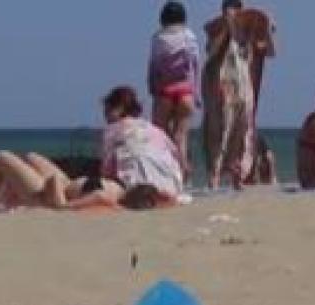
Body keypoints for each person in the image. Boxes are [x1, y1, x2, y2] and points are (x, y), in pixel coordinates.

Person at [202, 0, 276, 189]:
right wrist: (228, 27)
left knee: (242, 132)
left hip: (243, 87)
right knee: (220, 131)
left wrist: (265, 28)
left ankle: (237, 175)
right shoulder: (218, 29)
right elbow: (213, 53)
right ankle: (215, 175)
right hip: (223, 86)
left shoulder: (249, 31)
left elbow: (269, 51)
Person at [0, 151, 173, 212]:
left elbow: (64, 207)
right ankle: (3, 201)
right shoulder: (120, 191)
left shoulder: (106, 196)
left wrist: (55, 187)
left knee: (1, 157)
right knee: (31, 156)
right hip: (66, 183)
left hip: (46, 195)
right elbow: (167, 199)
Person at [101, 86, 185, 199]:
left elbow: (106, 171)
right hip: (172, 185)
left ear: (119, 108)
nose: (105, 117)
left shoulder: (113, 130)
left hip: (138, 187)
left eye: (107, 111)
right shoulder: (153, 128)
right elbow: (176, 156)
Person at [149, 2, 200, 177]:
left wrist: (152, 87)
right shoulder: (189, 36)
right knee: (181, 137)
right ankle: (183, 171)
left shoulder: (158, 38)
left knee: (160, 137)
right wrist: (196, 93)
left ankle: (163, 174)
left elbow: (154, 67)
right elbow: (194, 66)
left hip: (165, 91)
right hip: (185, 91)